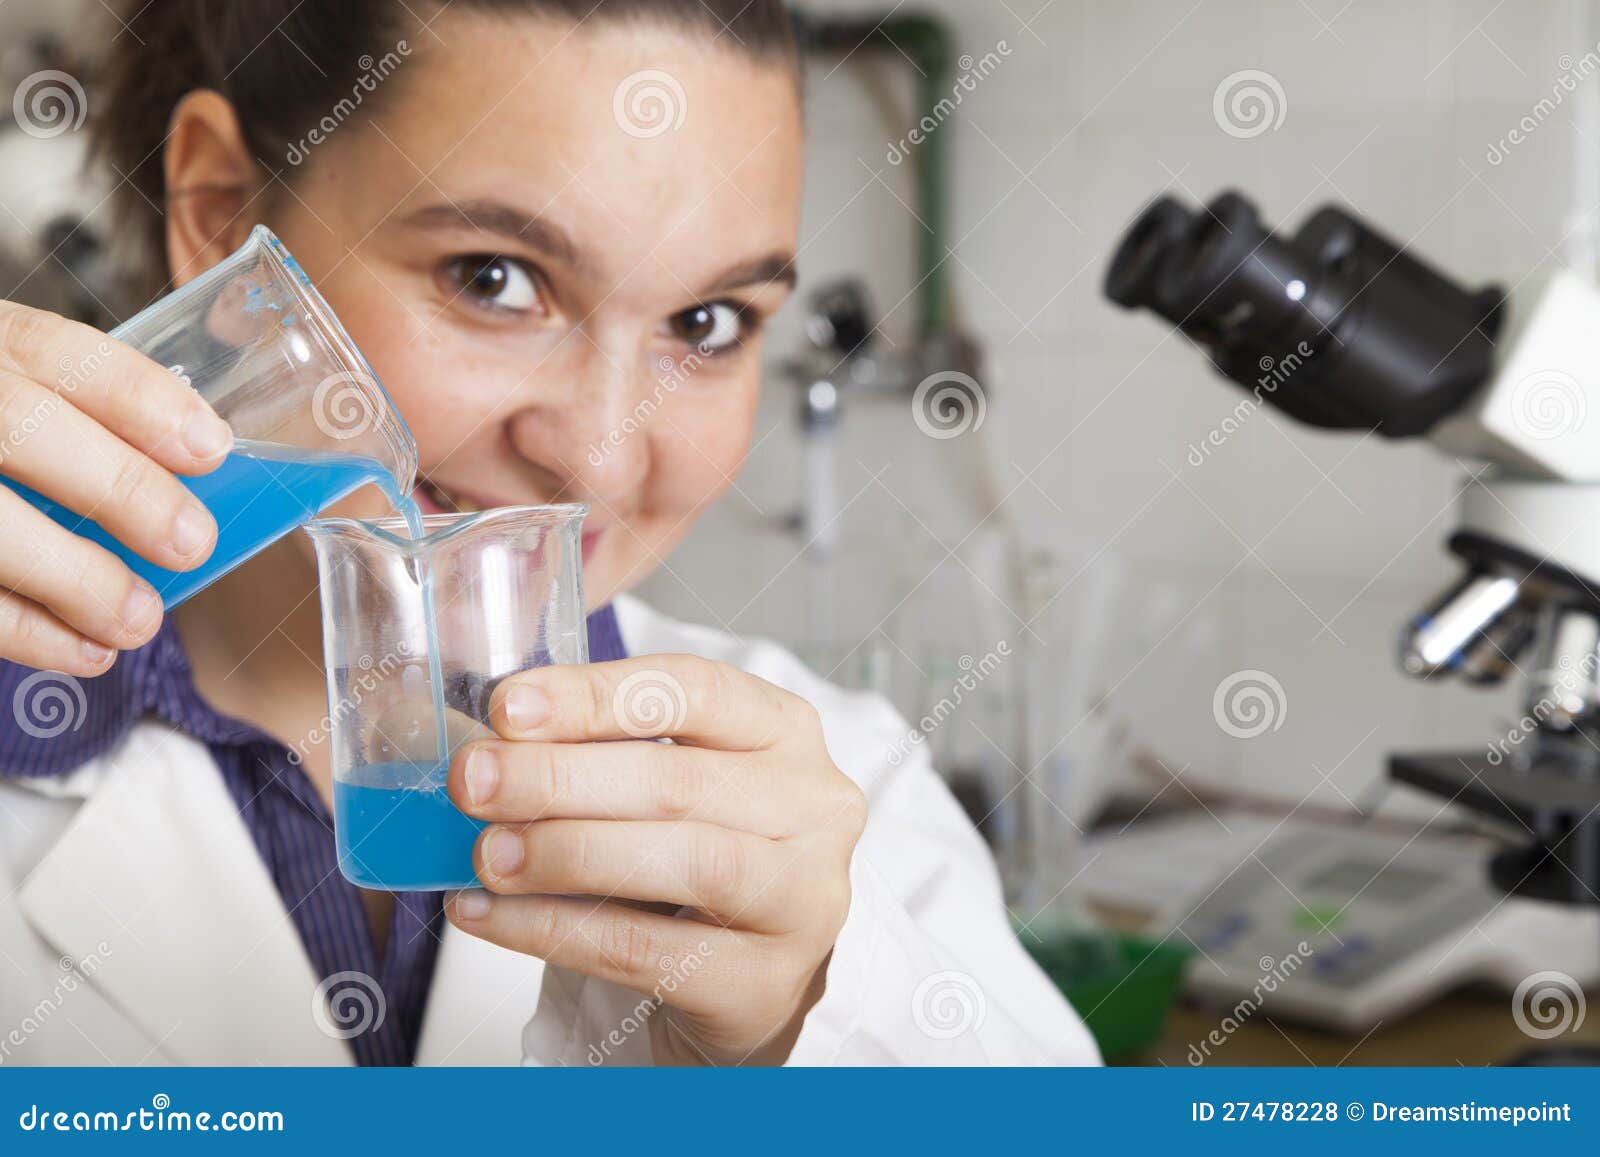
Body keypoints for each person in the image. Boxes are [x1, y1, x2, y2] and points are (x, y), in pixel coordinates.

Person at [0, 0, 1098, 1066]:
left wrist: (802, 1031)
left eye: (707, 322)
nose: (598, 462)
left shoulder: (846, 797)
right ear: (221, 212)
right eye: (493, 278)